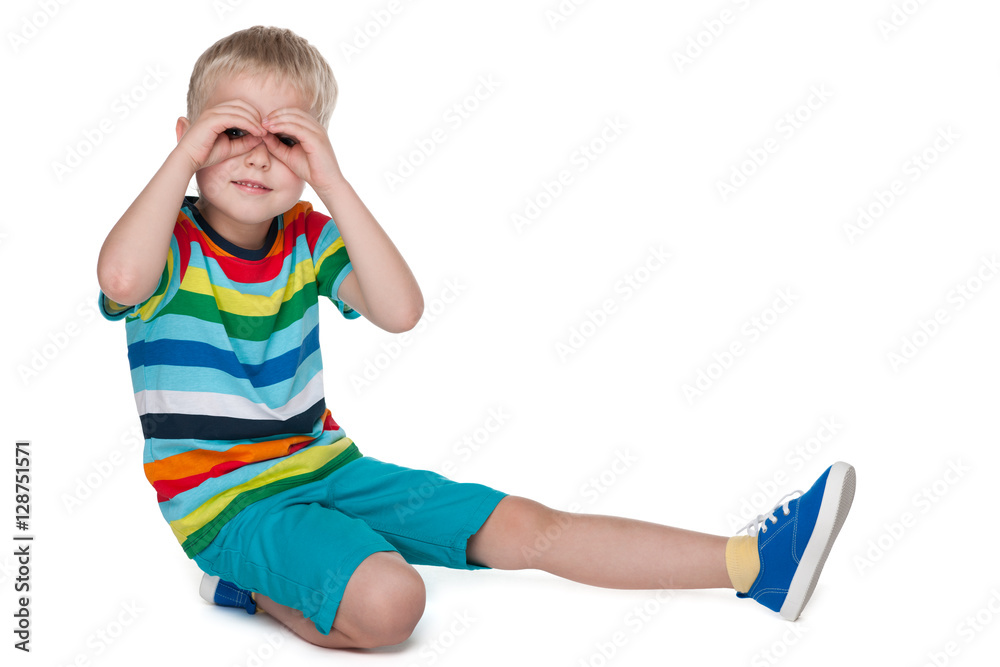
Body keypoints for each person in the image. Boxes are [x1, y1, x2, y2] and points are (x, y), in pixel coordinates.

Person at [95, 25, 856, 650]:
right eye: (230, 131)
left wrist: (331, 181)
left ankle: (755, 563)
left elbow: (400, 309)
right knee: (395, 602)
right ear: (187, 138)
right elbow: (122, 279)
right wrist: (188, 157)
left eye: (285, 140)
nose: (258, 154)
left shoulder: (309, 235)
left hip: (326, 467)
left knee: (529, 527)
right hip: (229, 506)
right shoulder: (167, 243)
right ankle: (248, 586)